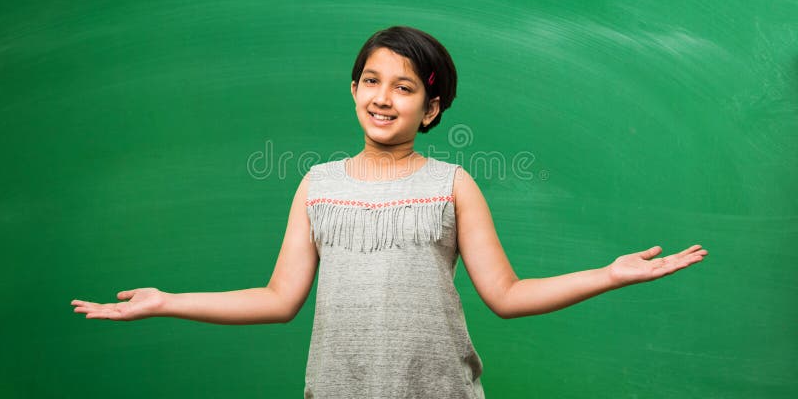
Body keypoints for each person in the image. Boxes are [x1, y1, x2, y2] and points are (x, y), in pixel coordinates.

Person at [71, 26, 708, 398]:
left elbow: (507, 294)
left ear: (430, 111)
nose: (384, 98)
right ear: (353, 91)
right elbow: (277, 298)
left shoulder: (452, 185)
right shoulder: (317, 186)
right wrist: (168, 300)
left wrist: (609, 273)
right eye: (372, 82)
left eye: (405, 88)